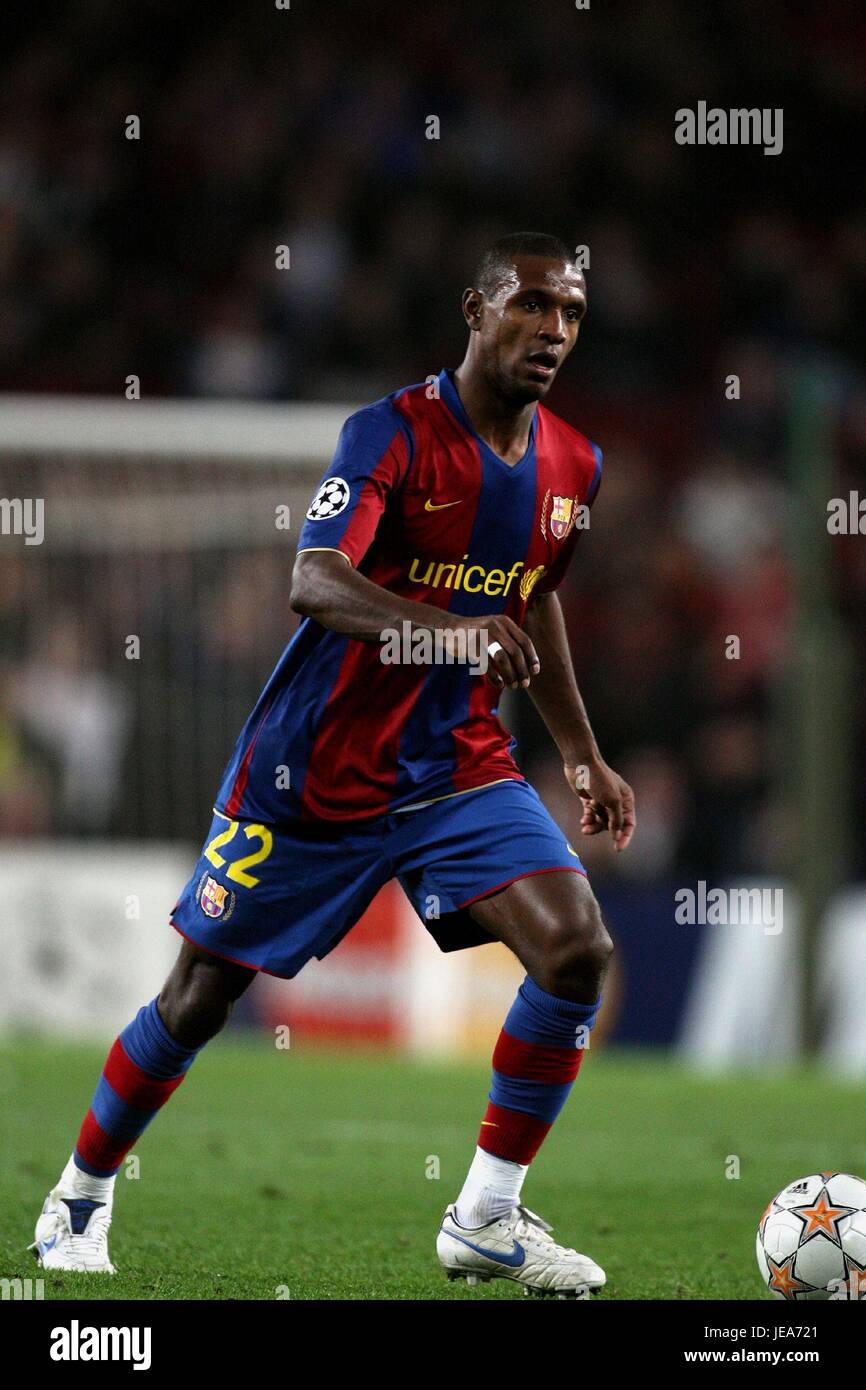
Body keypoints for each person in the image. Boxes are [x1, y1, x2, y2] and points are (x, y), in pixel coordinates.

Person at [32, 232, 635, 1298]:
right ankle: (80, 1190)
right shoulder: (391, 433)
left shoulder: (572, 466)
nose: (551, 331)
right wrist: (445, 634)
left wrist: (581, 752)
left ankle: (485, 1215)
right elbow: (315, 579)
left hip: (456, 764)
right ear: (474, 306)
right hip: (313, 774)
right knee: (197, 1000)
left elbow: (534, 596)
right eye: (531, 305)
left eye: (571, 314)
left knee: (576, 948)